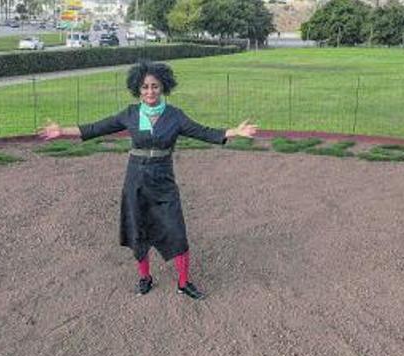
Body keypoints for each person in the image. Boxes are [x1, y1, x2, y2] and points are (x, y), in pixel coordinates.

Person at [39, 60, 257, 300]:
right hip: (136, 179)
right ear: (138, 89)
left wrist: (235, 132)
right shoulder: (130, 114)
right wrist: (62, 131)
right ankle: (145, 277)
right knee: (137, 228)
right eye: (145, 87)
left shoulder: (175, 116)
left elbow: (203, 131)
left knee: (176, 230)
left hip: (163, 179)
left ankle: (184, 282)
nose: (150, 91)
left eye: (155, 86)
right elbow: (95, 128)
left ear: (163, 87)